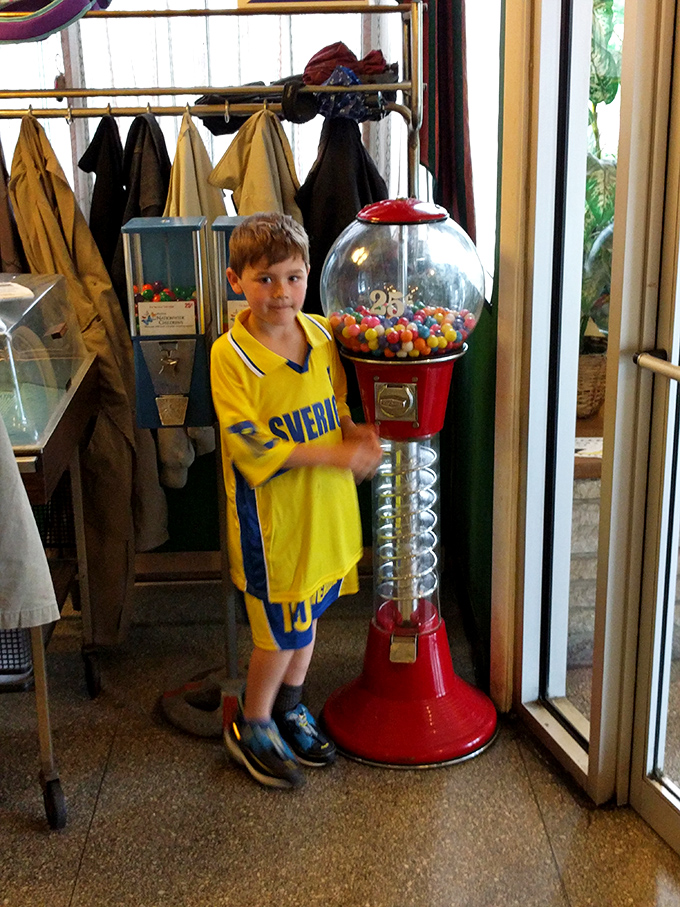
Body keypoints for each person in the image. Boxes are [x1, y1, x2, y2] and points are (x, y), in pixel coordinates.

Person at [211, 212, 382, 789]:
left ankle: (289, 706)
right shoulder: (229, 358)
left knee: (307, 622)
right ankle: (251, 722)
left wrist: (354, 432)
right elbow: (250, 445)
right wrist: (333, 455)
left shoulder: (321, 336)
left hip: (325, 518)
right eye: (265, 280)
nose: (280, 293)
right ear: (237, 280)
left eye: (292, 277)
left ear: (308, 275)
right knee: (278, 633)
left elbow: (334, 405)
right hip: (275, 529)